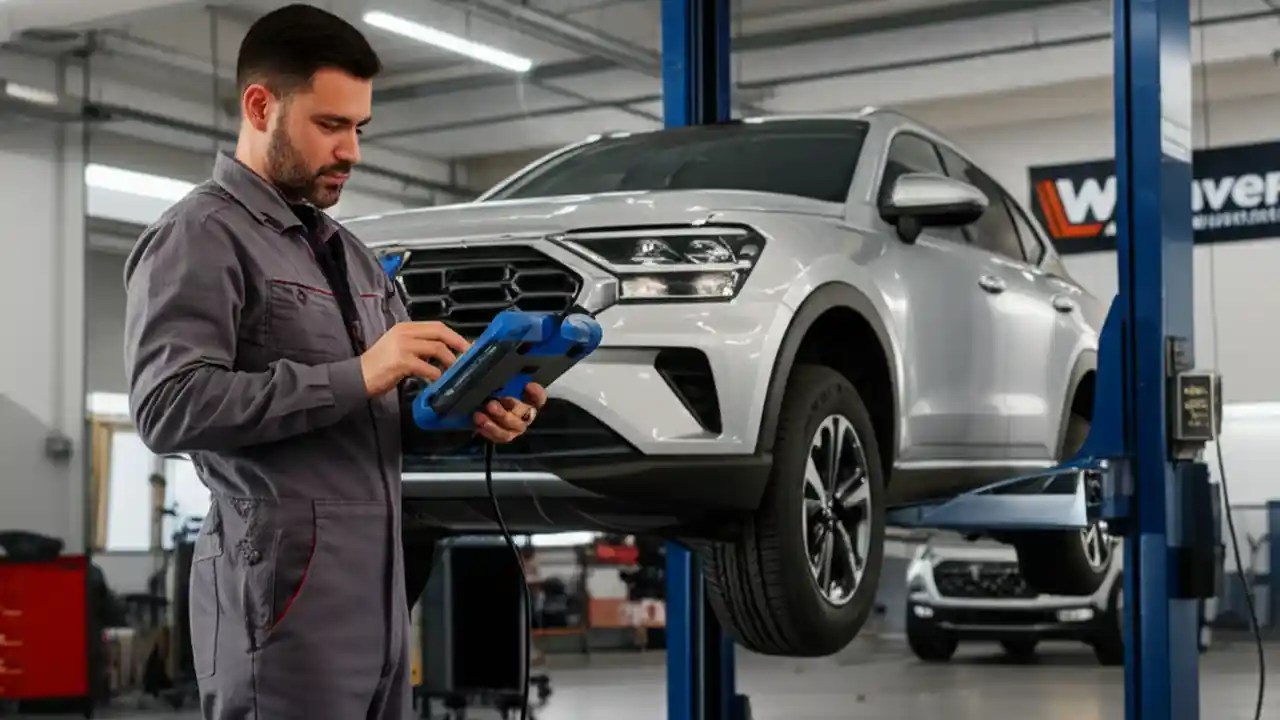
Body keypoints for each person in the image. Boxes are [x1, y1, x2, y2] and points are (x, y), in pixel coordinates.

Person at [122, 4, 546, 718]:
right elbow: (167, 408)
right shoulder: (199, 237)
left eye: (359, 128)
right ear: (261, 106)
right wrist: (360, 372)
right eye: (330, 125)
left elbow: (377, 414)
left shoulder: (351, 255)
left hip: (380, 599)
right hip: (281, 601)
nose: (351, 150)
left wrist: (471, 413)